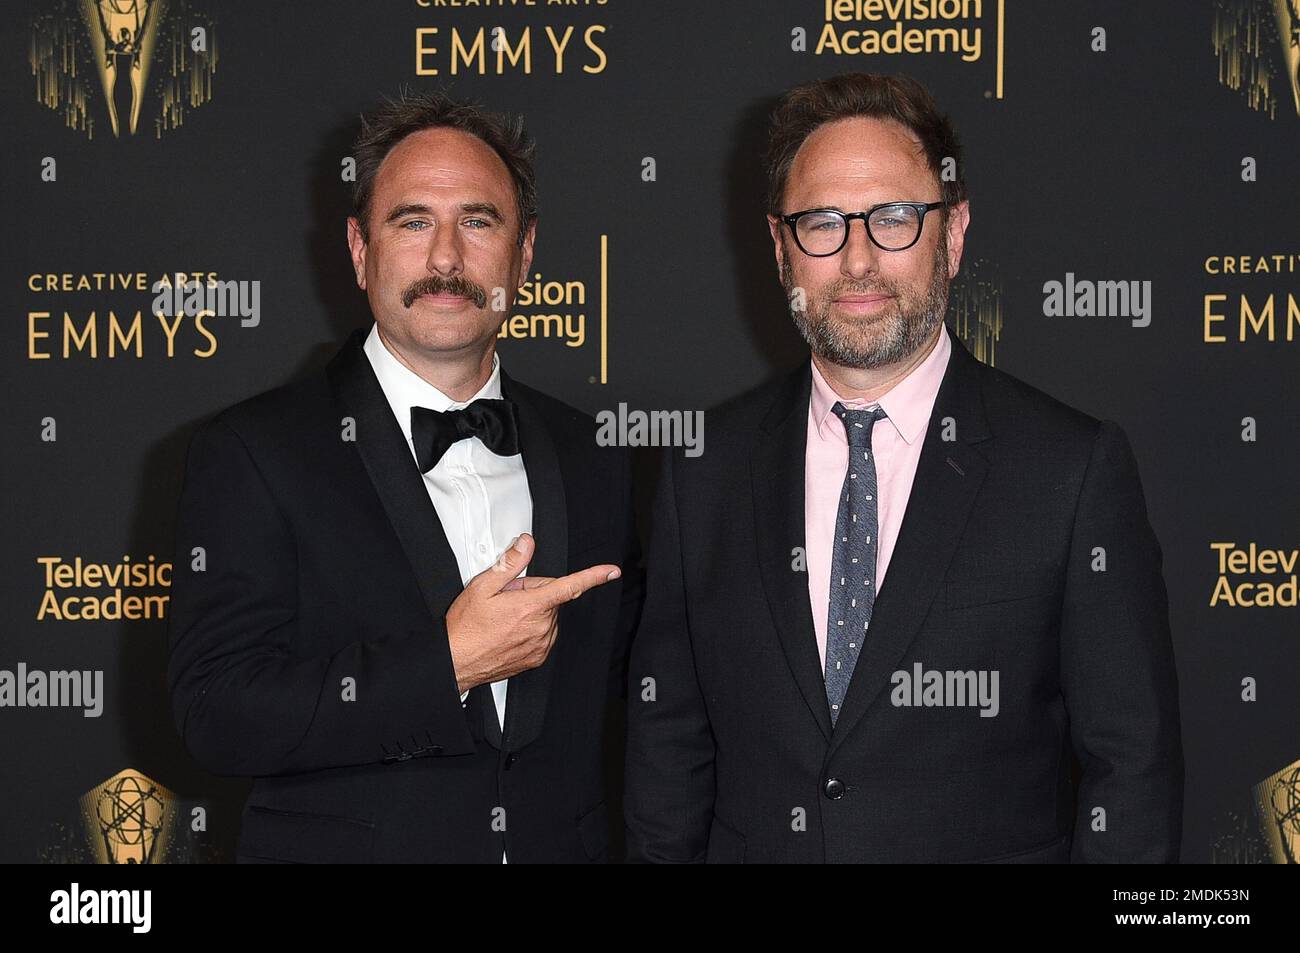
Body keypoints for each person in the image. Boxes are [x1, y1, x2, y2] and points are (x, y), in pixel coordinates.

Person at [624, 72, 1183, 863]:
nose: (857, 259)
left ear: (952, 234)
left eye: (893, 218)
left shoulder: (1070, 470)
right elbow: (668, 755)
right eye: (822, 222)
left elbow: (1132, 773)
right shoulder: (702, 471)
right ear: (782, 249)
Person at [167, 90, 642, 863]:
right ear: (361, 250)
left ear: (523, 255)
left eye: (479, 221)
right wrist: (447, 663)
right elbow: (216, 714)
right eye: (413, 220)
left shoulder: (595, 453)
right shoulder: (254, 451)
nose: (447, 257)